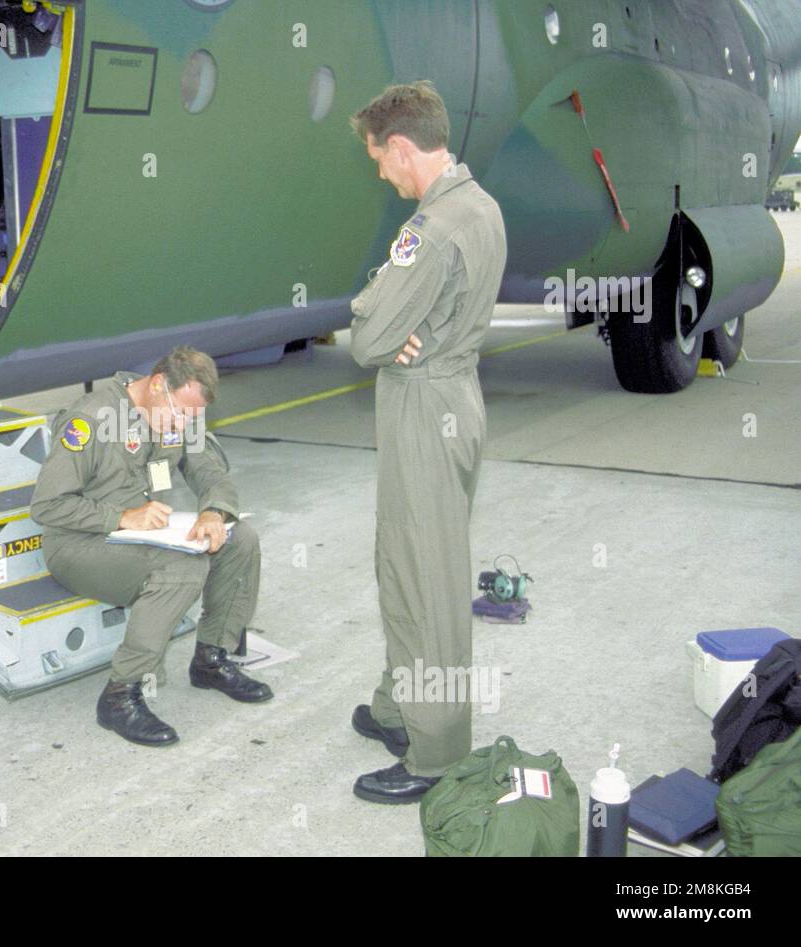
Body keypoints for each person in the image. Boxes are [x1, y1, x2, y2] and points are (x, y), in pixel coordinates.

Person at [345, 81, 507, 803]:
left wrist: (376, 309)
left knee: (429, 582)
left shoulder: (432, 227)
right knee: (404, 562)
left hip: (424, 408)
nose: (382, 173)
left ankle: (435, 751)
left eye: (381, 159)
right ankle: (397, 706)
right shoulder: (482, 206)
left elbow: (367, 336)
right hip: (453, 399)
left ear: (404, 147)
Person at [30, 346, 271, 747]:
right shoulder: (90, 419)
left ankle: (211, 659)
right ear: (158, 384)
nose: (184, 424)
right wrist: (121, 517)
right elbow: (48, 506)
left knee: (239, 538)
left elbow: (211, 473)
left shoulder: (182, 413)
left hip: (143, 539)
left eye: (192, 417)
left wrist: (214, 512)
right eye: (179, 413)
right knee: (182, 569)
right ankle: (120, 695)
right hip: (79, 544)